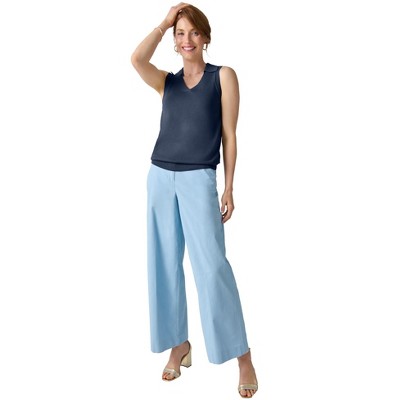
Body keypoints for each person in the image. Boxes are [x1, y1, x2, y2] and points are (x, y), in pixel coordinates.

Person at [131, 3, 258, 398]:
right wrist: (165, 22)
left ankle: (242, 355)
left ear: (206, 37)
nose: (187, 40)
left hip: (199, 178)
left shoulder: (224, 76)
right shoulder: (166, 82)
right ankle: (178, 345)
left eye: (194, 32)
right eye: (180, 34)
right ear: (174, 40)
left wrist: (229, 186)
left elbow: (230, 135)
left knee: (212, 267)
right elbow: (136, 59)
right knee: (164, 265)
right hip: (159, 177)